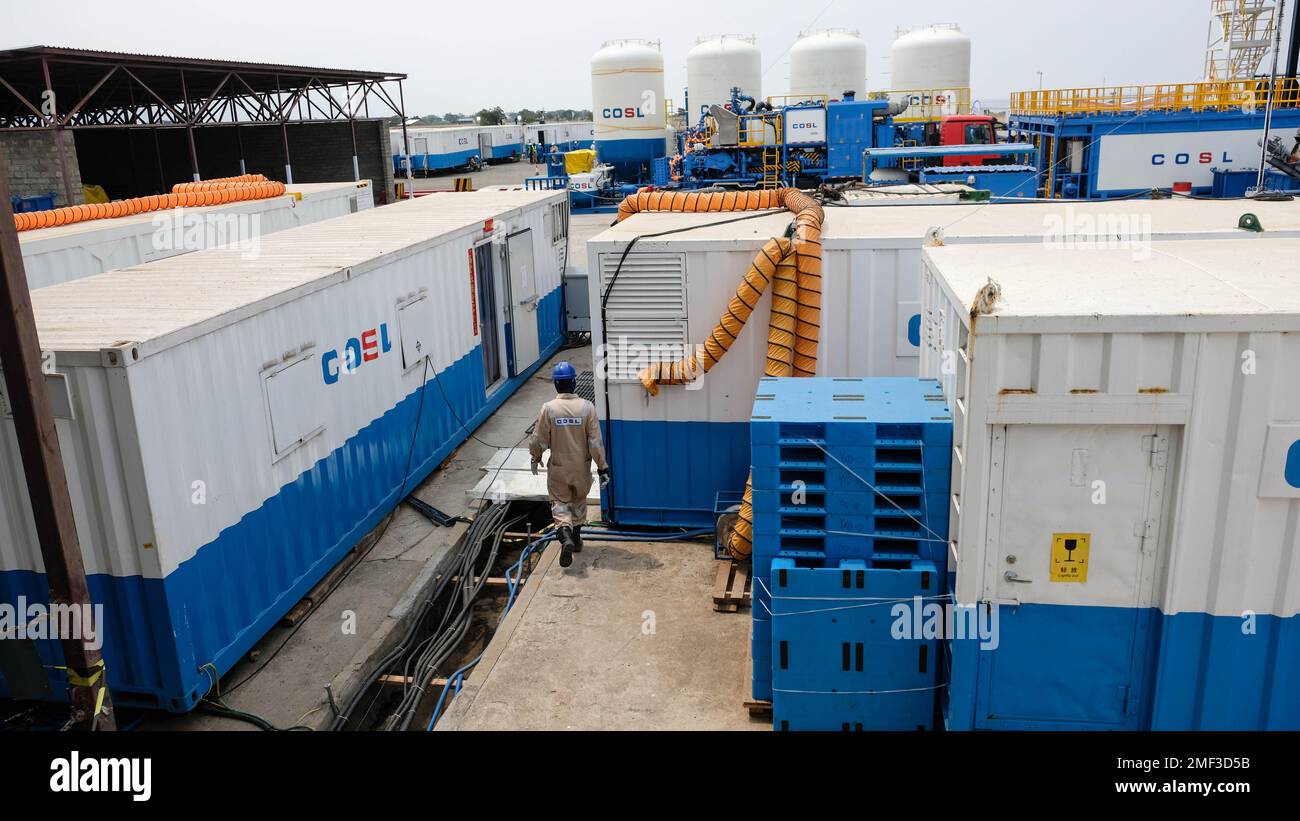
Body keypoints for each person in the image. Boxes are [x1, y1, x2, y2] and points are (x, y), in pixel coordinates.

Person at [529, 361, 609, 568]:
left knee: (560, 504)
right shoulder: (587, 408)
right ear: (574, 382)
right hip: (580, 467)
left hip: (558, 468)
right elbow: (595, 442)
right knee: (578, 503)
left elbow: (538, 440)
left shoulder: (548, 409)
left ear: (556, 384)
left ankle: (565, 538)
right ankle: (577, 539)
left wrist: (535, 458)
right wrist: (603, 467)